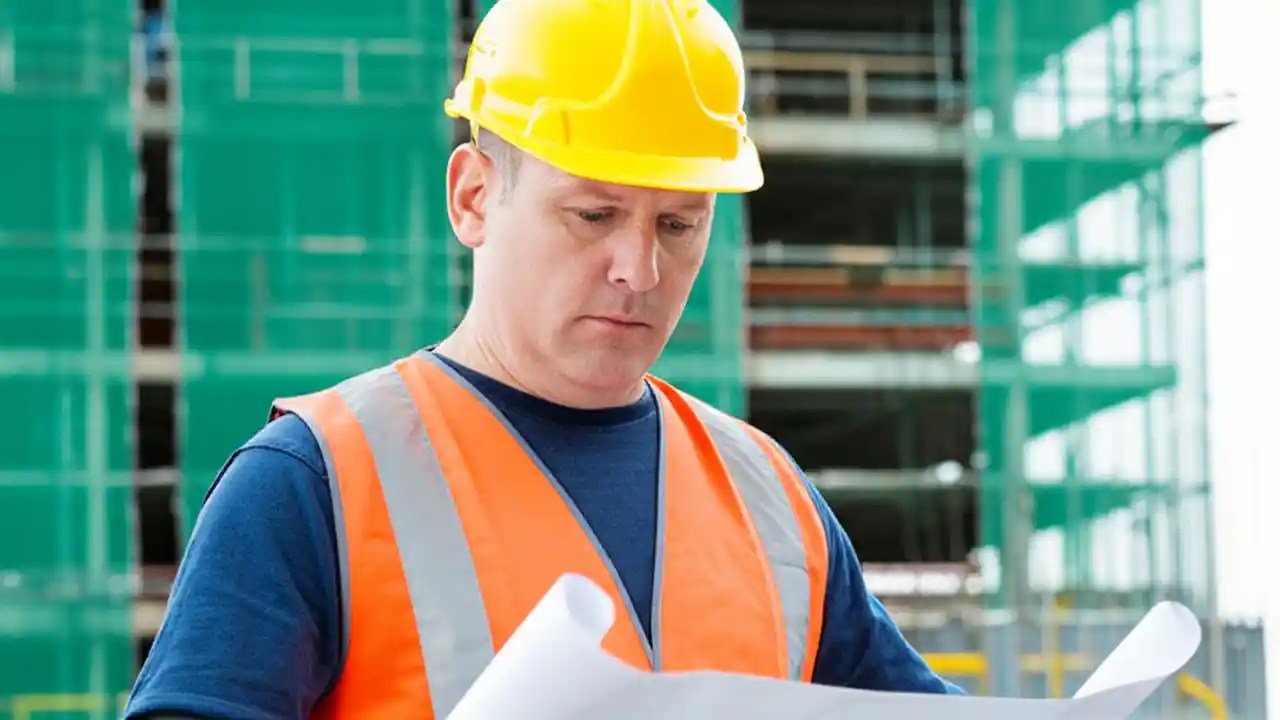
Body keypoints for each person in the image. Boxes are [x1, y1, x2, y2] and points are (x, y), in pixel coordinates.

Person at [124, 0, 963, 717]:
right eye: (593, 215)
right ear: (475, 197)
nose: (640, 269)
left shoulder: (772, 501)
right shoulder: (315, 481)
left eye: (680, 224)